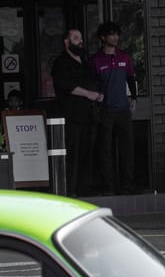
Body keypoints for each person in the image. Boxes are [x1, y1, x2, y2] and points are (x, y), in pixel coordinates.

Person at [49, 27, 102, 196]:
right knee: (74, 154)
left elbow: (94, 81)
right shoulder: (61, 63)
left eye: (80, 37)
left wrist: (98, 94)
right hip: (72, 116)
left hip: (89, 115)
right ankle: (71, 190)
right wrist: (90, 94)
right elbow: (67, 86)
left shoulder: (85, 61)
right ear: (67, 42)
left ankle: (86, 188)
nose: (80, 40)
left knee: (89, 153)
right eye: (75, 38)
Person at [90, 22, 137, 193]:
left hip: (123, 110)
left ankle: (127, 185)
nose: (115, 37)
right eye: (111, 34)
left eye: (117, 34)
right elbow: (91, 83)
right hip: (105, 111)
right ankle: (108, 185)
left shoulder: (124, 57)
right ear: (103, 37)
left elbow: (131, 78)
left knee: (127, 148)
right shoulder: (95, 60)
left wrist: (134, 98)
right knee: (105, 150)